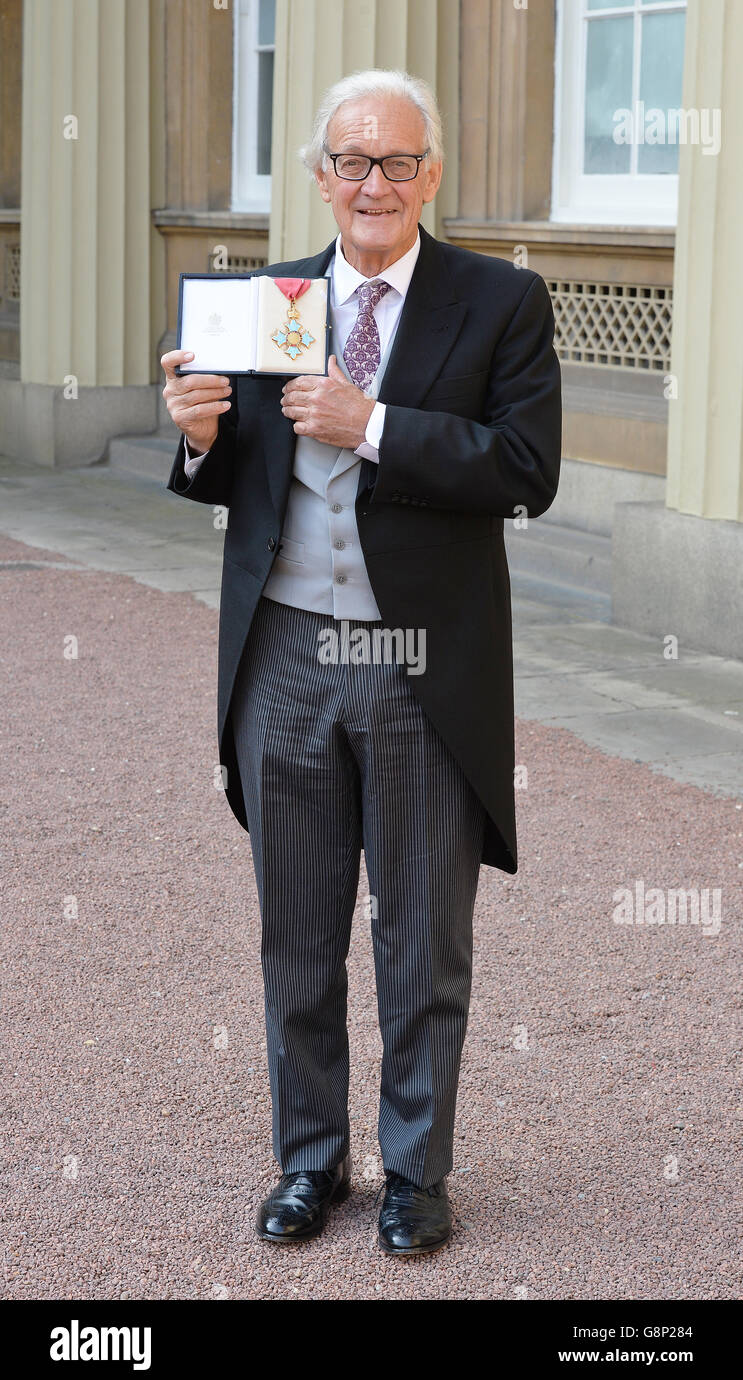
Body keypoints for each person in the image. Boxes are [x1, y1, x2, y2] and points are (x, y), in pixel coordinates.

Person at [161, 68, 561, 1256]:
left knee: (420, 931)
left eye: (395, 162)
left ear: (430, 173)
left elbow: (525, 467)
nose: (371, 183)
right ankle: (308, 1163)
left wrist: (370, 422)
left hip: (417, 660)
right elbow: (230, 464)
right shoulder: (264, 298)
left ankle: (414, 1174)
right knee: (295, 929)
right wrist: (195, 438)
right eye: (350, 161)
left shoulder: (497, 300)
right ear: (320, 175)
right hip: (282, 650)